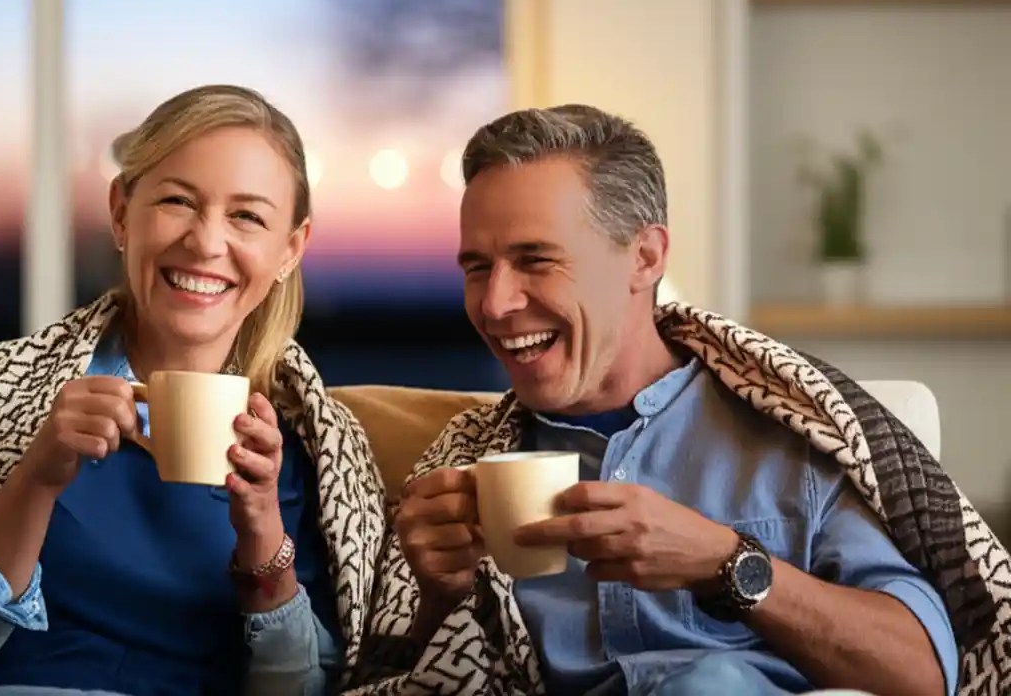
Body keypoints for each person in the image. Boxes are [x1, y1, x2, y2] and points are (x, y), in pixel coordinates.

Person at [348, 105, 1011, 696]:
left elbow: (924, 673)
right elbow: (393, 676)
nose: (496, 304)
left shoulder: (791, 432)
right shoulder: (462, 464)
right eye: (477, 268)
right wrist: (437, 599)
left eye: (536, 260)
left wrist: (726, 564)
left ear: (645, 257)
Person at [0, 85, 387, 696]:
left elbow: (298, 692)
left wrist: (264, 538)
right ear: (121, 212)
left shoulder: (317, 454)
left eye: (246, 216)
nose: (205, 242)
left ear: (291, 249)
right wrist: (36, 478)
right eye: (178, 201)